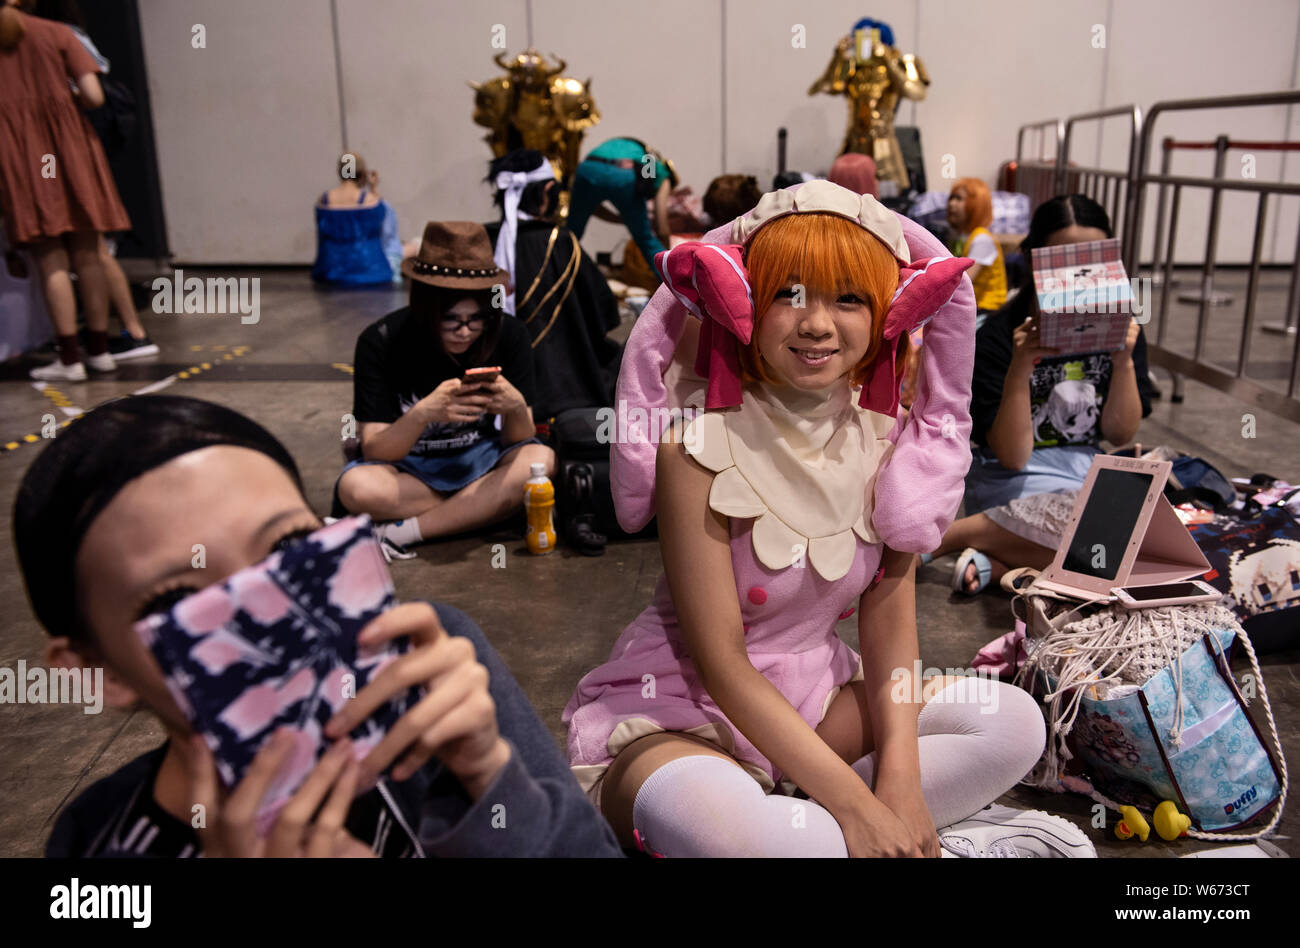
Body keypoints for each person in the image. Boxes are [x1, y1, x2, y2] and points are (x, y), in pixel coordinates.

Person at [562, 180, 1096, 858]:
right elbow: (720, 660)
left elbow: (889, 622)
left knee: (1014, 722)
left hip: (818, 699)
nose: (816, 323)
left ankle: (822, 826)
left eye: (848, 298)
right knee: (756, 841)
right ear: (747, 302)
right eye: (788, 293)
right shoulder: (692, 444)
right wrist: (858, 805)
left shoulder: (889, 440)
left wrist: (898, 784)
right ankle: (818, 823)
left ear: (885, 312)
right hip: (684, 713)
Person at [13, 394, 622, 857]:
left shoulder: (424, 666)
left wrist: (493, 779)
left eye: (289, 548)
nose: (265, 615)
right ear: (97, 670)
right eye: (178, 599)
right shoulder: (96, 839)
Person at [926, 194, 1157, 594]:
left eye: (1090, 258)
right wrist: (1020, 368)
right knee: (1106, 554)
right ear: (1036, 259)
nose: (1077, 274)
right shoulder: (998, 336)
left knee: (1148, 541)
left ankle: (999, 564)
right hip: (1013, 481)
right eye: (1062, 258)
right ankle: (961, 535)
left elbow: (1120, 436)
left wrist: (1123, 363)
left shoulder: (1123, 329)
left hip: (1085, 472)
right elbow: (1013, 457)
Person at [334, 221, 556, 552]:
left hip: (480, 460)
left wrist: (514, 406)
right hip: (410, 469)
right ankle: (479, 510)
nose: (465, 332)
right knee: (357, 488)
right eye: (450, 319)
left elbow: (519, 439)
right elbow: (375, 450)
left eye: (476, 318)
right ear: (424, 309)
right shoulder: (381, 340)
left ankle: (402, 532)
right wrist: (423, 413)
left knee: (541, 459)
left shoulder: (508, 333)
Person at [0, 0, 129, 381]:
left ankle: (69, 359)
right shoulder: (58, 34)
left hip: (22, 154)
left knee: (49, 256)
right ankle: (100, 351)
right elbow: (93, 96)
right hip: (70, 148)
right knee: (88, 251)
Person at [31, 0, 159, 359]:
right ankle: (121, 335)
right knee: (94, 247)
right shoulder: (60, 35)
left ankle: (128, 332)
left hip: (70, 146)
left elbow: (94, 86)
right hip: (73, 146)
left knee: (90, 248)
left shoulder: (59, 36)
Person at [483, 149, 622, 418]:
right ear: (547, 191)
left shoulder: (481, 241)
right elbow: (602, 316)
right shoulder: (561, 241)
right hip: (564, 388)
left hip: (492, 385)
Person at [565, 136, 677, 279]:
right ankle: (673, 283)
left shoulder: (639, 153)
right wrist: (668, 252)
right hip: (624, 176)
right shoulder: (662, 174)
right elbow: (662, 228)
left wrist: (623, 219)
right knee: (646, 240)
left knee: (569, 236)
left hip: (587, 169)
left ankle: (552, 275)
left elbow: (593, 207)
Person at [312, 152, 418, 287]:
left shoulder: (324, 199)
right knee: (415, 245)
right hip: (368, 270)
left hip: (330, 269)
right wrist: (374, 188)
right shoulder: (370, 201)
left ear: (340, 171)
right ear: (362, 173)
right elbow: (386, 232)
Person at [945, 177, 1007, 323]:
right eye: (951, 198)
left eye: (959, 199)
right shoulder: (960, 237)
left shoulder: (982, 239)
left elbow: (964, 281)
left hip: (988, 312)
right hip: (973, 308)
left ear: (976, 204)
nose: (951, 203)